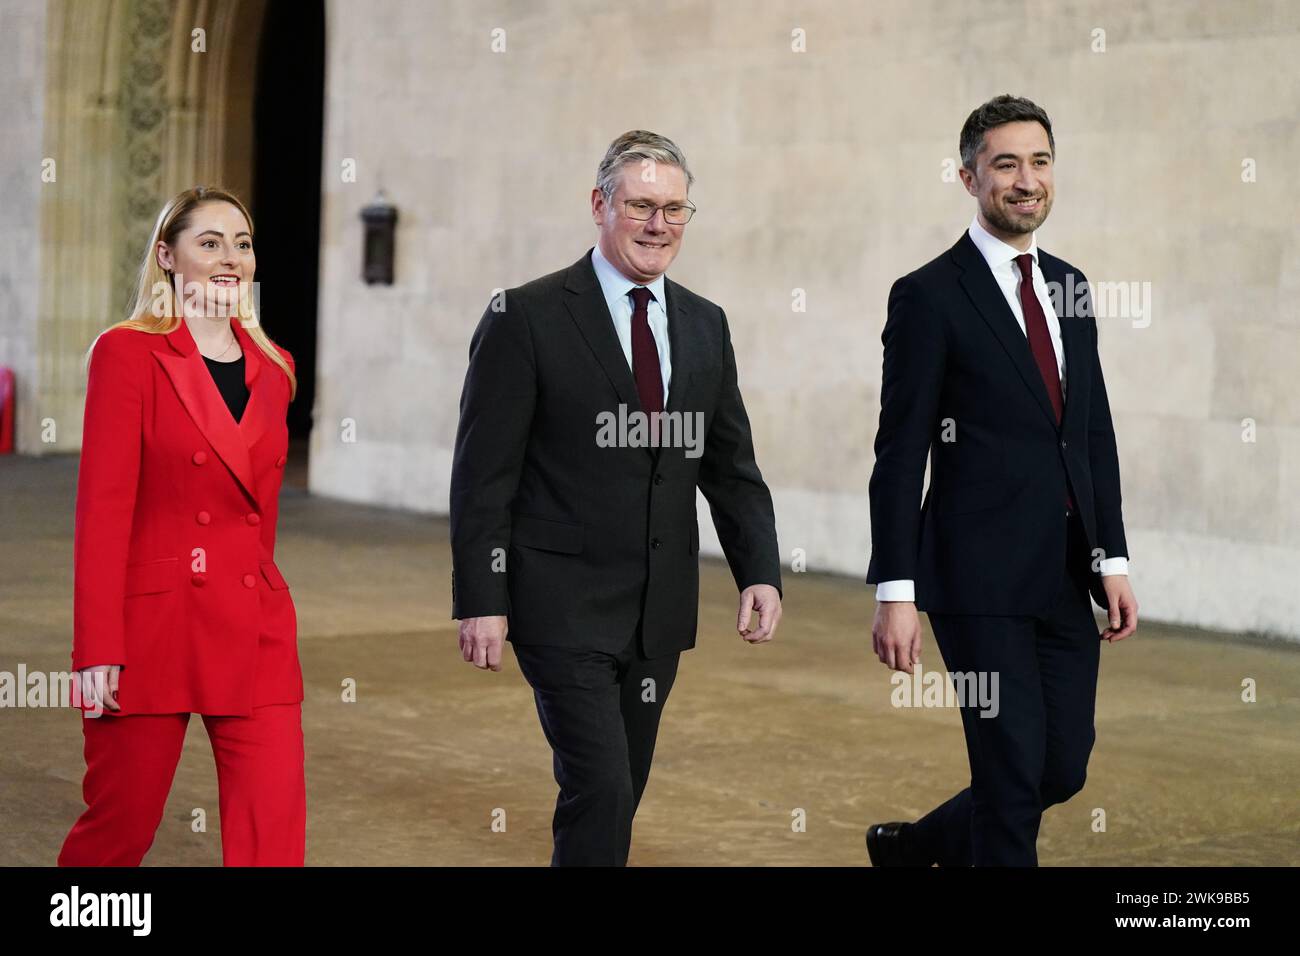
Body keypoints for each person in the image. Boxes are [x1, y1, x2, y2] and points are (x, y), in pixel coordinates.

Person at [450, 130, 784, 866]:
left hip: (658, 609)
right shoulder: (525, 316)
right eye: (640, 205)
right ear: (600, 205)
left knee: (620, 786)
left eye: (674, 208)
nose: (657, 224)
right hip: (559, 602)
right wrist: (483, 595)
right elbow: (485, 474)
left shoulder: (705, 323)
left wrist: (758, 567)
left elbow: (730, 464)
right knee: (598, 784)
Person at [864, 96, 1139, 866]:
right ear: (968, 176)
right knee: (1012, 772)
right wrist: (896, 589)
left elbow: (1091, 433)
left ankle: (917, 848)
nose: (1026, 179)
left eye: (1040, 161)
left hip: (1062, 574)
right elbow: (900, 449)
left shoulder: (1071, 285)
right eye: (1006, 163)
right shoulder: (929, 294)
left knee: (1060, 766)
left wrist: (1111, 560)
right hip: (973, 577)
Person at [58, 186, 306, 866]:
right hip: (150, 632)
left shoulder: (274, 369)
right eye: (210, 242)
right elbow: (102, 510)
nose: (231, 257)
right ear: (168, 257)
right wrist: (97, 647)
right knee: (119, 831)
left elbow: (261, 521)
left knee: (273, 837)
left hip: (254, 628)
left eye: (243, 243)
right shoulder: (127, 353)